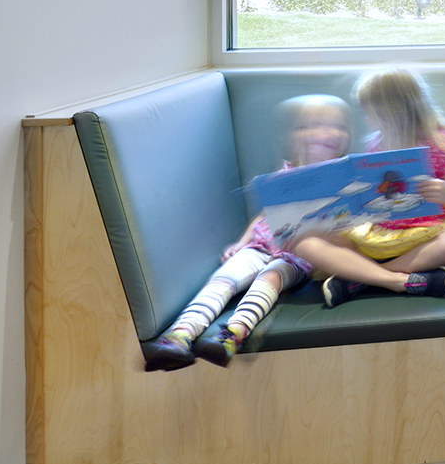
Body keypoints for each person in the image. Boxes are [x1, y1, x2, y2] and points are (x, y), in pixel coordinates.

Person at [142, 94, 352, 371]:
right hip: (261, 245)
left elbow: (344, 229)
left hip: (296, 257)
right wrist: (241, 242)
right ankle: (180, 334)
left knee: (271, 277)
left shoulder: (344, 177)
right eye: (316, 125)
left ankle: (233, 334)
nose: (329, 133)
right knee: (227, 276)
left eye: (339, 126)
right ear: (297, 135)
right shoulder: (286, 172)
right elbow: (263, 216)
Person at [293, 67, 445, 308]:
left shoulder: (442, 144)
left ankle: (365, 278)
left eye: (371, 113)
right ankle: (394, 278)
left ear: (395, 113)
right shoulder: (375, 144)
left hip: (428, 233)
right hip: (377, 232)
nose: (366, 119)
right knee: (306, 243)